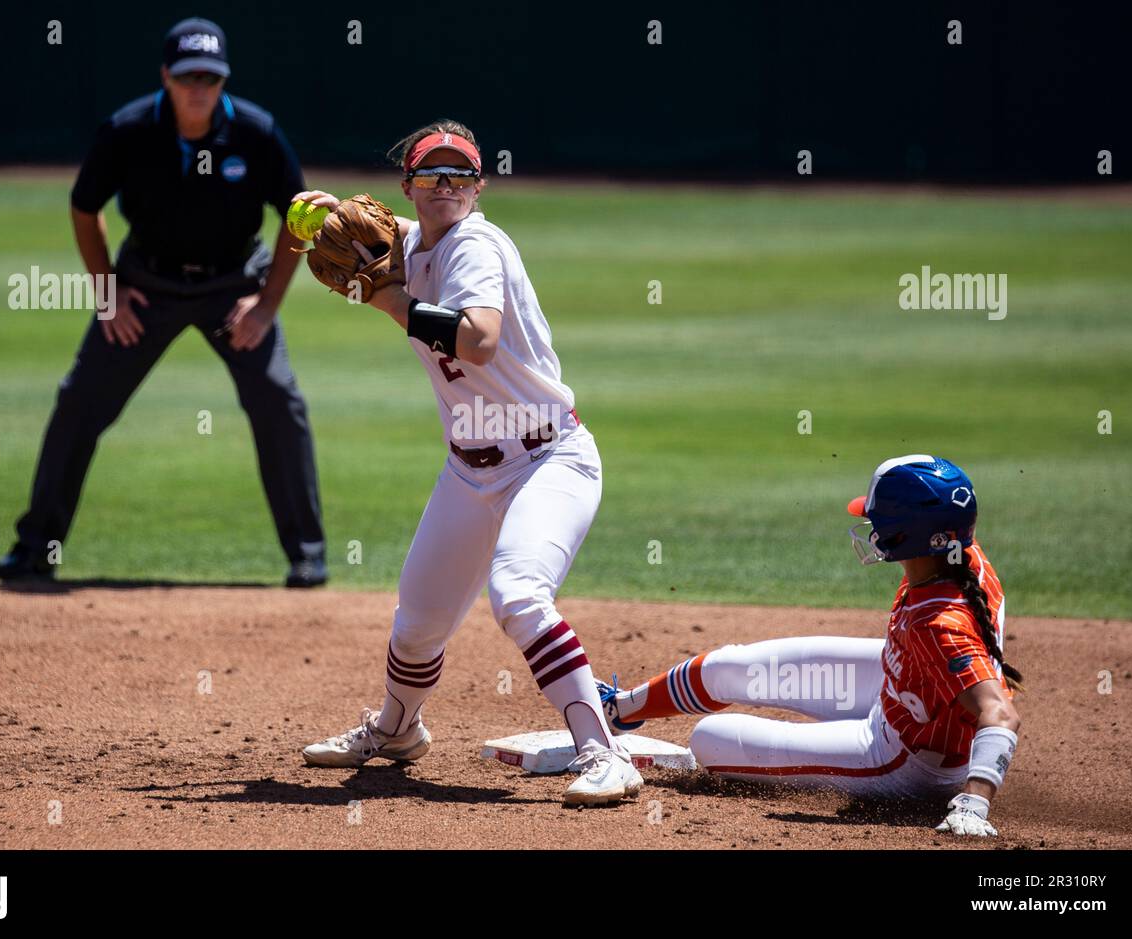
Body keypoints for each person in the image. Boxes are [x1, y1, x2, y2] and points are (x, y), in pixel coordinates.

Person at [293, 120, 642, 806]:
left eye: (460, 175)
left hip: (548, 459)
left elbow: (478, 340)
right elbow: (385, 227)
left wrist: (384, 298)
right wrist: (330, 210)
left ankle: (605, 753)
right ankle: (396, 730)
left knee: (517, 594)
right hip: (469, 471)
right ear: (410, 186)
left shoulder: (476, 243)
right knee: (417, 620)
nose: (445, 185)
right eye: (431, 175)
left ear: (479, 188)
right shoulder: (415, 234)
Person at [0, 17, 328, 588]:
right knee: (79, 401)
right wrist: (107, 293)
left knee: (278, 398)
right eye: (188, 75)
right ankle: (34, 550)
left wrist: (269, 303)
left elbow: (300, 214)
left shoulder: (257, 132)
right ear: (166, 76)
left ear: (223, 80)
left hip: (233, 285)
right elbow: (83, 207)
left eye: (211, 76)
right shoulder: (126, 131)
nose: (200, 86)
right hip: (147, 283)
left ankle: (308, 554)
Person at [599, 455, 1025, 835]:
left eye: (879, 521)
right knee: (730, 668)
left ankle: (955, 796)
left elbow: (1000, 713)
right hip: (903, 683)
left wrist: (974, 801)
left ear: (908, 535)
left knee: (709, 739)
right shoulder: (958, 557)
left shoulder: (940, 625)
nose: (871, 528)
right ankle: (619, 709)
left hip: (904, 759)